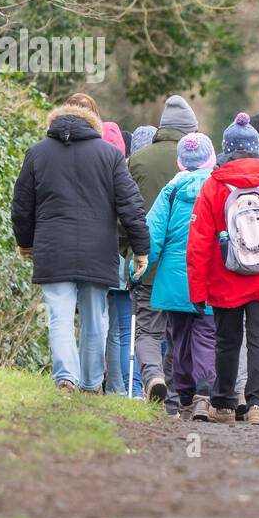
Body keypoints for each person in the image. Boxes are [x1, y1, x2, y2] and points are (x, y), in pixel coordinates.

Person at [11, 93, 150, 394]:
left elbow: (22, 205)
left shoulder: (37, 153)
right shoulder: (110, 155)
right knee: (95, 318)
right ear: (94, 123)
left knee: (59, 316)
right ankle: (89, 383)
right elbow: (130, 205)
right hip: (98, 249)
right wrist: (141, 249)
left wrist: (25, 242)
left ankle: (65, 378)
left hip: (52, 247)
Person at [187, 113, 259, 425]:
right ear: (255, 148)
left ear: (227, 149)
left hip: (225, 278)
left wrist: (197, 289)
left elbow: (198, 242)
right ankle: (257, 406)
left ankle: (224, 404)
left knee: (227, 340)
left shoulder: (213, 187)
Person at [140, 133, 218, 420]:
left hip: (175, 281)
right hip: (209, 277)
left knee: (180, 337)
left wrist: (137, 275)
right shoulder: (219, 189)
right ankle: (203, 394)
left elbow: (152, 238)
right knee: (207, 335)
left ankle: (183, 397)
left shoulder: (171, 191)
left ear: (180, 162)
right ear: (211, 159)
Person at [127, 95, 198, 408]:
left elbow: (122, 211)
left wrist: (128, 250)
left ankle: (153, 375)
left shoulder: (138, 160)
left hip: (146, 262)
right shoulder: (202, 166)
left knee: (147, 329)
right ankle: (171, 395)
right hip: (187, 267)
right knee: (179, 333)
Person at [99, 122, 137, 396]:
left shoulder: (87, 176)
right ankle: (119, 388)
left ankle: (91, 379)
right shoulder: (125, 179)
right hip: (121, 265)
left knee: (95, 325)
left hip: (92, 262)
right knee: (122, 331)